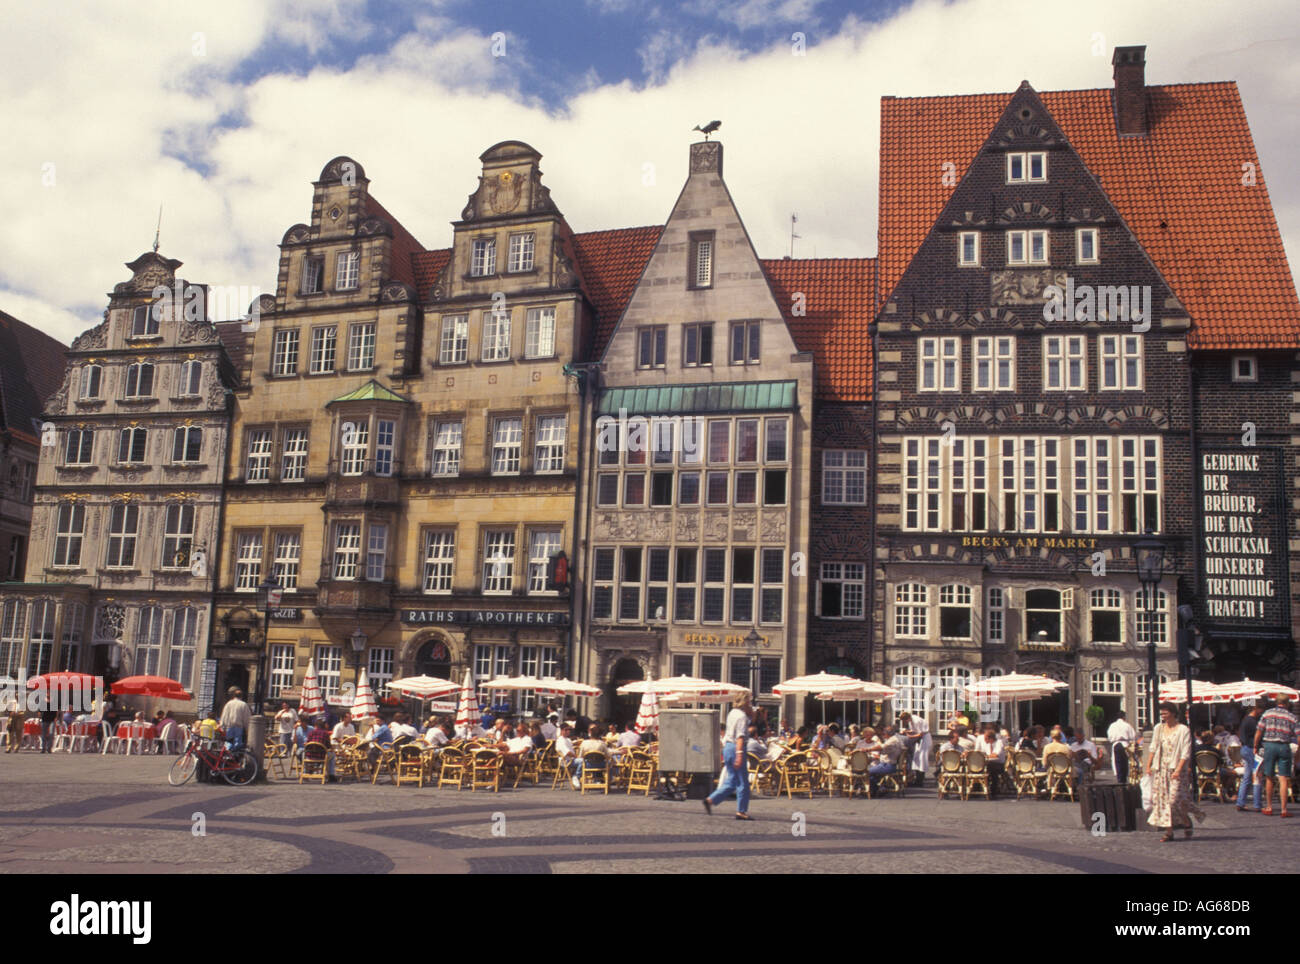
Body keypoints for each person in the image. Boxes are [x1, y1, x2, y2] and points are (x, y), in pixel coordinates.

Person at [1146, 703, 1205, 842]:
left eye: (1165, 713)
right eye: (1161, 713)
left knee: (1175, 801)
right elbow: (1153, 747)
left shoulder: (1183, 730)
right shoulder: (1159, 728)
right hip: (1162, 769)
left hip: (1176, 769)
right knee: (1163, 801)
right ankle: (1169, 832)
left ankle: (1186, 820)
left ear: (1173, 713)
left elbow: (1185, 752)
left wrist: (1178, 769)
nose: (1163, 716)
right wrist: (1148, 765)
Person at [703, 692, 754, 820]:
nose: (750, 703)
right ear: (745, 702)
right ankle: (741, 811)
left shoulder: (732, 713)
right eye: (749, 701)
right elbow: (740, 736)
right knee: (742, 782)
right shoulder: (742, 716)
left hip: (728, 747)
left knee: (732, 780)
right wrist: (739, 755)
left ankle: (711, 799)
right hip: (737, 748)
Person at [1254, 696, 1299, 817]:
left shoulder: (1267, 713)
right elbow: (1299, 735)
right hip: (1284, 746)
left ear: (1276, 702)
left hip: (1269, 745)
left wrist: (1255, 746)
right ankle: (1284, 809)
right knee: (1283, 778)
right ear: (1287, 703)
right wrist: (1298, 752)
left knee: (1269, 777)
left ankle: (1269, 807)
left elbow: (1259, 731)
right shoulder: (1292, 717)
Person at [1236, 702, 1264, 811]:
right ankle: (1257, 804)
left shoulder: (1245, 720)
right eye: (1261, 709)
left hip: (1244, 748)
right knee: (1257, 776)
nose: (1262, 712)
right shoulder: (1253, 721)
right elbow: (1258, 735)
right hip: (1251, 749)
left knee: (1247, 776)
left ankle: (1240, 802)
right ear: (1256, 708)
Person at [868, 725, 905, 794]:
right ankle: (878, 788)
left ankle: (876, 789)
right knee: (873, 770)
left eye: (883, 733)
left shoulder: (892, 740)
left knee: (867, 772)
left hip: (888, 765)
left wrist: (868, 749)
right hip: (890, 763)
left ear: (887, 733)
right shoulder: (895, 739)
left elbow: (882, 747)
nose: (883, 735)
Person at [972, 723, 1006, 797]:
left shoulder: (999, 743)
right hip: (988, 763)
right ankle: (975, 788)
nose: (984, 740)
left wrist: (984, 756)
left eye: (985, 738)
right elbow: (981, 752)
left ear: (990, 738)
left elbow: (995, 755)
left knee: (992, 769)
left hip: (998, 764)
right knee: (976, 767)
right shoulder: (988, 744)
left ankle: (993, 790)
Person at [1107, 711, 1137, 784]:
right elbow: (1133, 736)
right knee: (1125, 762)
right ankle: (1124, 778)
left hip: (1116, 744)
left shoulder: (1112, 725)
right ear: (1124, 717)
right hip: (1125, 744)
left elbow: (1110, 736)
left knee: (1117, 762)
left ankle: (1119, 778)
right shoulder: (1127, 725)